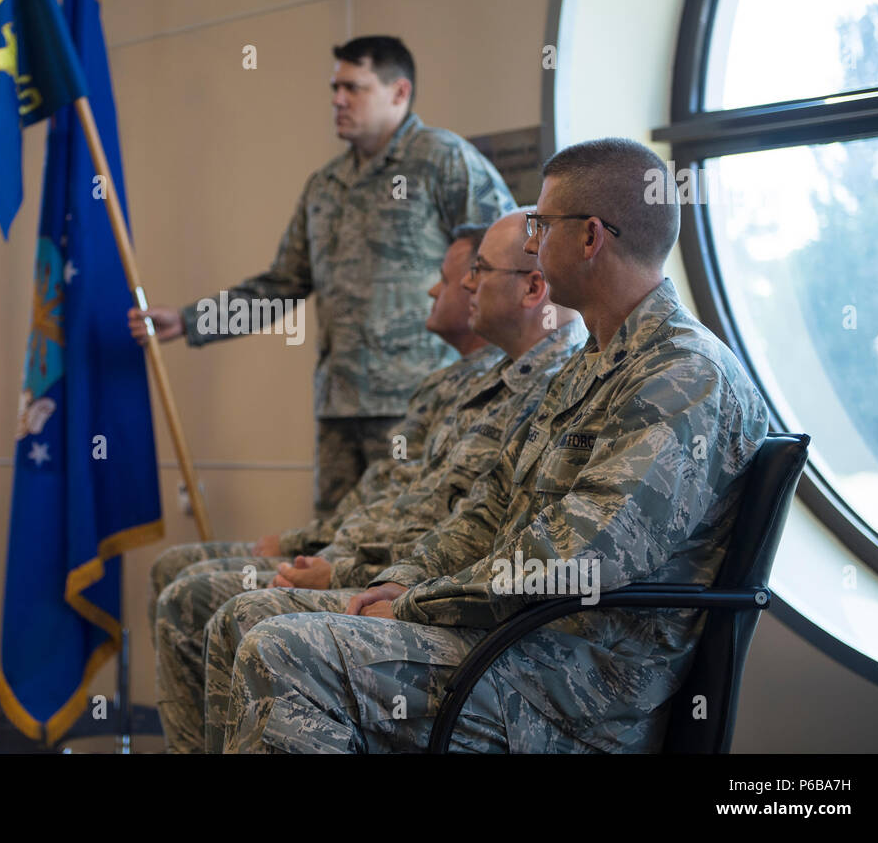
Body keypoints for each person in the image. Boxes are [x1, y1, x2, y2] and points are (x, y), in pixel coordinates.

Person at [207, 137, 770, 754]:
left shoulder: (685, 375)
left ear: (590, 239)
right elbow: (490, 505)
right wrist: (403, 582)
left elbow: (578, 557)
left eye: (541, 225)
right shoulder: (591, 363)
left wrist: (421, 605)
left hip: (578, 687)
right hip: (513, 644)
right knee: (247, 616)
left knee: (285, 650)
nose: (532, 244)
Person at [155, 212, 585, 753]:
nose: (451, 286)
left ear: (533, 287)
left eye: (476, 269)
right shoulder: (499, 381)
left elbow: (537, 557)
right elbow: (434, 507)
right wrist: (349, 563)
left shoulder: (567, 384)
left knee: (250, 619)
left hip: (530, 657)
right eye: (465, 271)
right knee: (211, 598)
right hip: (430, 590)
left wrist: (384, 586)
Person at [129, 36, 515, 515]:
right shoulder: (324, 186)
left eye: (353, 87)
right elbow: (282, 284)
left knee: (405, 548)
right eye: (334, 87)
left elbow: (508, 258)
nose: (336, 99)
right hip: (339, 410)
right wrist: (190, 321)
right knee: (328, 556)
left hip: (421, 405)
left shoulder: (445, 161)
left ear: (399, 92)